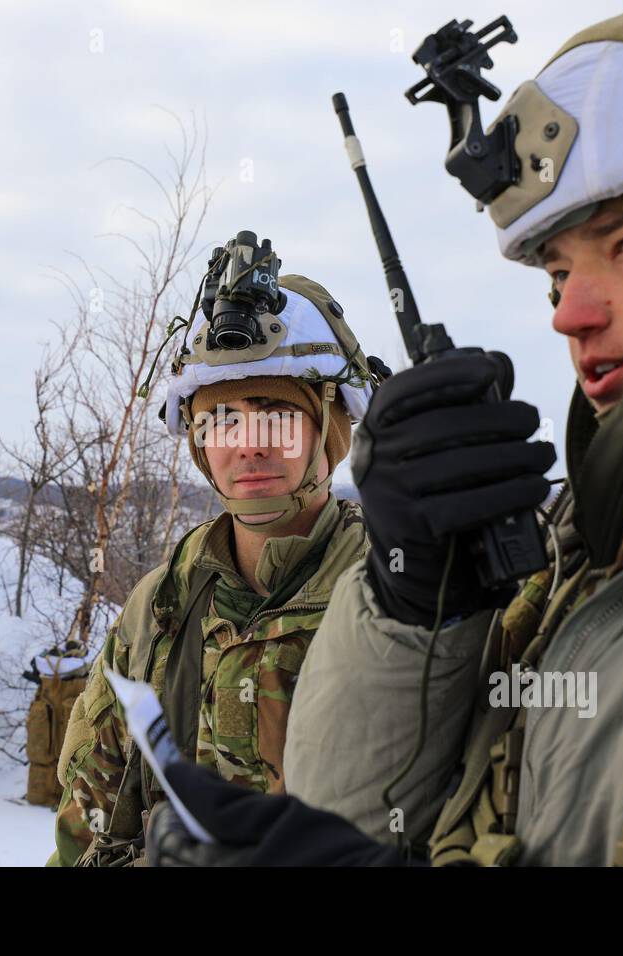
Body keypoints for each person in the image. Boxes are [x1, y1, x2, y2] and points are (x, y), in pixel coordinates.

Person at [149, 0, 623, 866]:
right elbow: (360, 818)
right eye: (558, 270)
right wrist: (414, 601)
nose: (569, 314)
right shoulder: (593, 534)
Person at [47, 267, 378, 866]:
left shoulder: (398, 595)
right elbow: (87, 831)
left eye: (277, 414)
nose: (249, 443)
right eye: (222, 419)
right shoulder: (159, 606)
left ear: (329, 428)